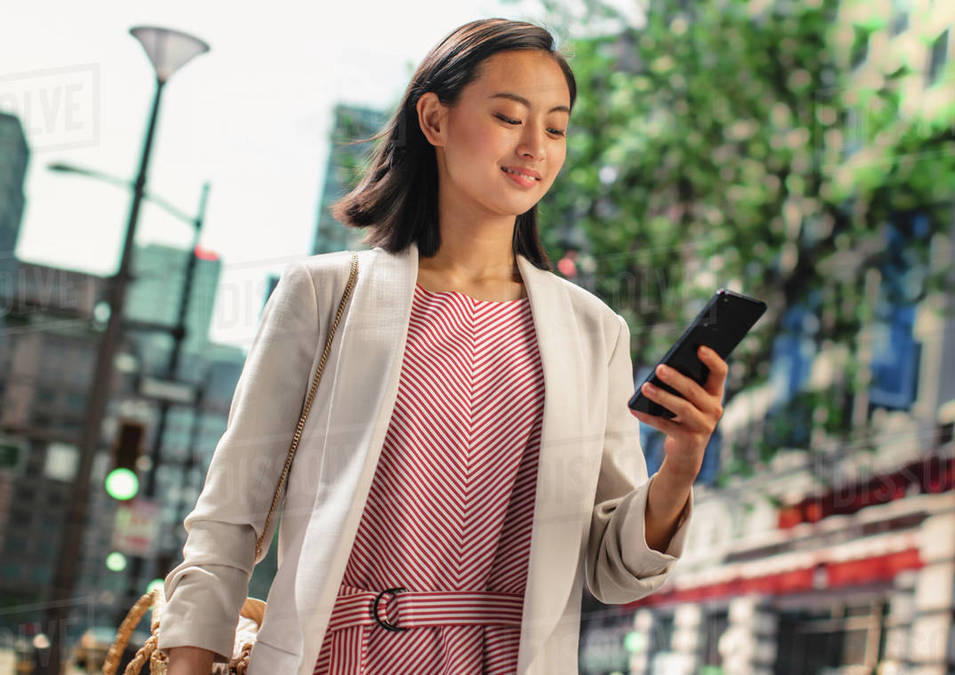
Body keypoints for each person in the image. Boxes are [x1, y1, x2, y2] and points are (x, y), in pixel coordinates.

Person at [159, 17, 726, 675]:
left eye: (556, 126)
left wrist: (681, 462)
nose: (535, 146)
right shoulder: (323, 294)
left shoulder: (594, 331)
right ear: (433, 118)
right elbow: (228, 522)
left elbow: (615, 570)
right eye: (510, 117)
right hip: (335, 656)